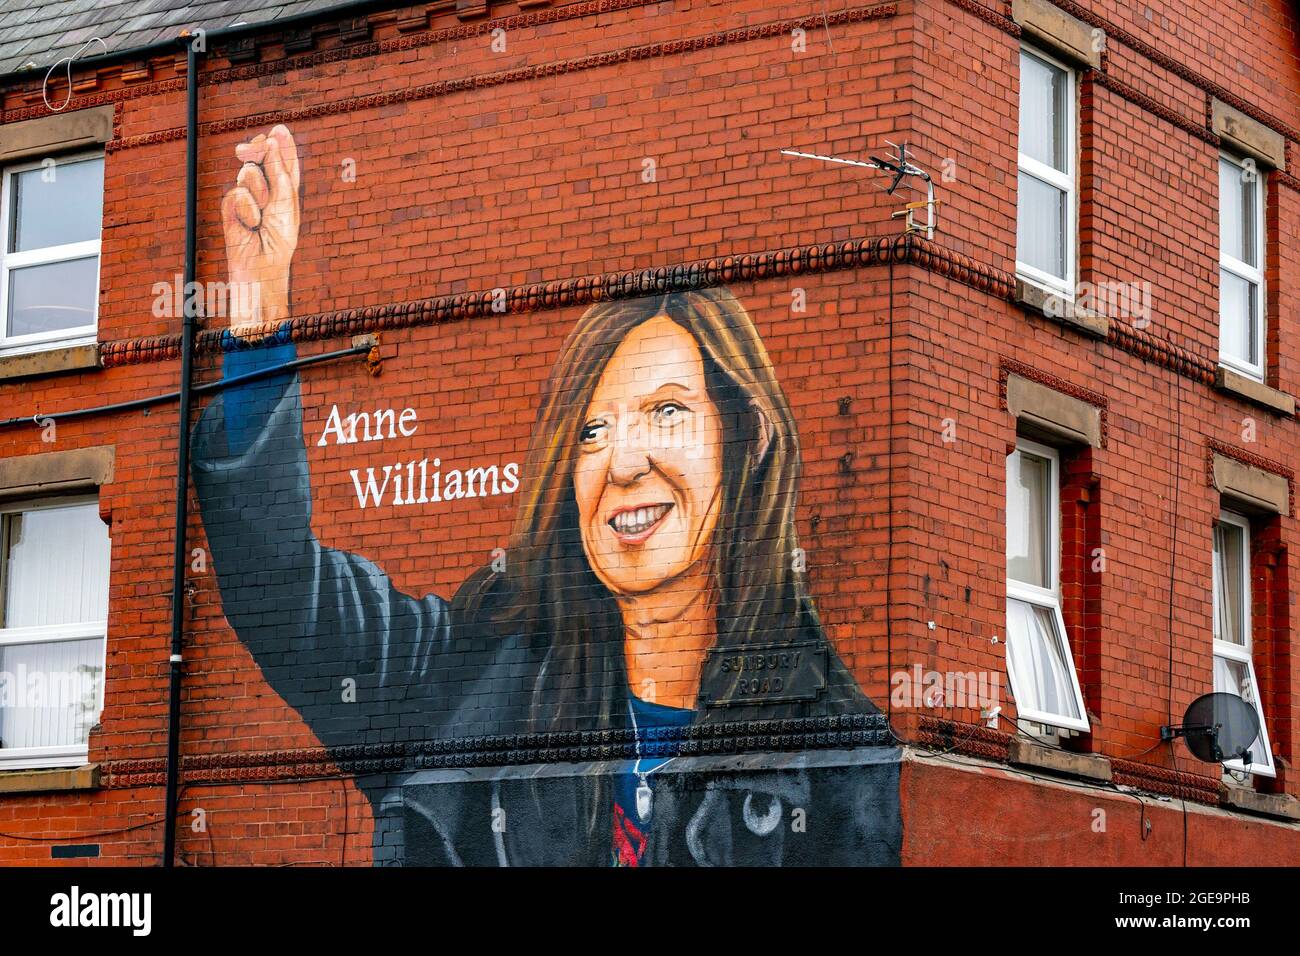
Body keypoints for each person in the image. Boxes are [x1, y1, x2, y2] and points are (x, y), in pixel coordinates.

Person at [192, 126, 893, 866]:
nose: (623, 463)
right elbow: (284, 595)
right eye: (593, 430)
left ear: (745, 439)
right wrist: (261, 321)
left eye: (667, 412)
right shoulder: (472, 679)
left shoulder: (836, 757)